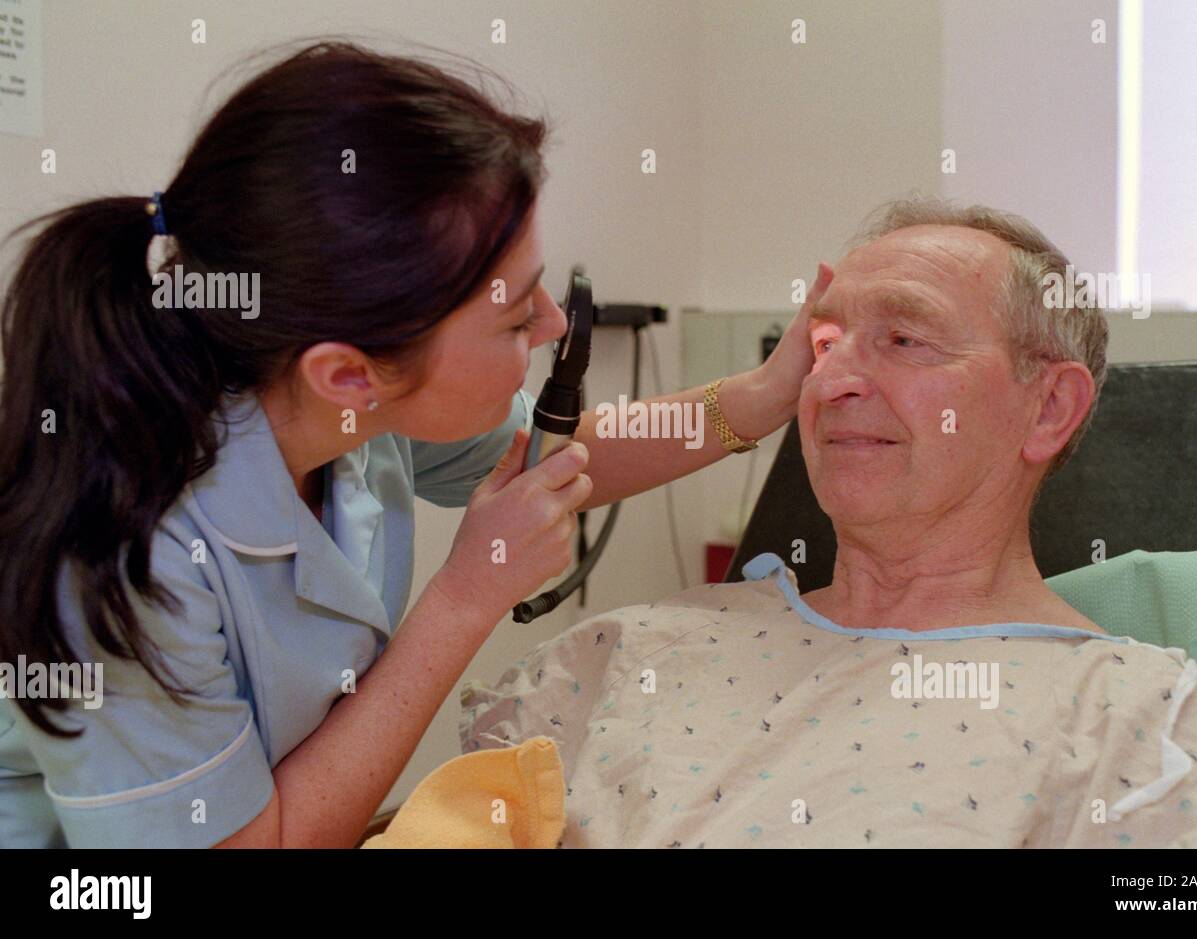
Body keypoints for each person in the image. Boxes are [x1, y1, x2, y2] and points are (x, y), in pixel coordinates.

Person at [0, 40, 825, 848]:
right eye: (515, 315)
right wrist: (466, 595)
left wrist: (758, 399)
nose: (555, 324)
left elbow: (560, 463)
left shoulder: (331, 409)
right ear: (351, 374)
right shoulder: (122, 554)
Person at [461, 197, 1197, 847]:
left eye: (903, 338)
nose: (831, 384)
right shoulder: (624, 656)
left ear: (1049, 408)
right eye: (823, 346)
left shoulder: (1162, 729)